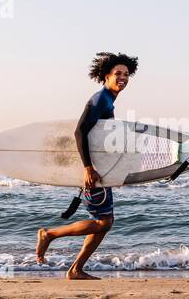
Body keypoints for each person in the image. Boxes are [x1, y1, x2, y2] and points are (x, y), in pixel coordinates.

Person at [35, 52, 137, 279]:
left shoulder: (108, 99)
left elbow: (98, 137)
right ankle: (49, 234)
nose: (123, 77)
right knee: (104, 222)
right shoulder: (100, 99)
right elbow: (79, 132)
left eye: (126, 74)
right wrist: (88, 167)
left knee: (105, 222)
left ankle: (76, 269)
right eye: (117, 73)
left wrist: (114, 170)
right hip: (93, 170)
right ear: (106, 76)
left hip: (100, 169)